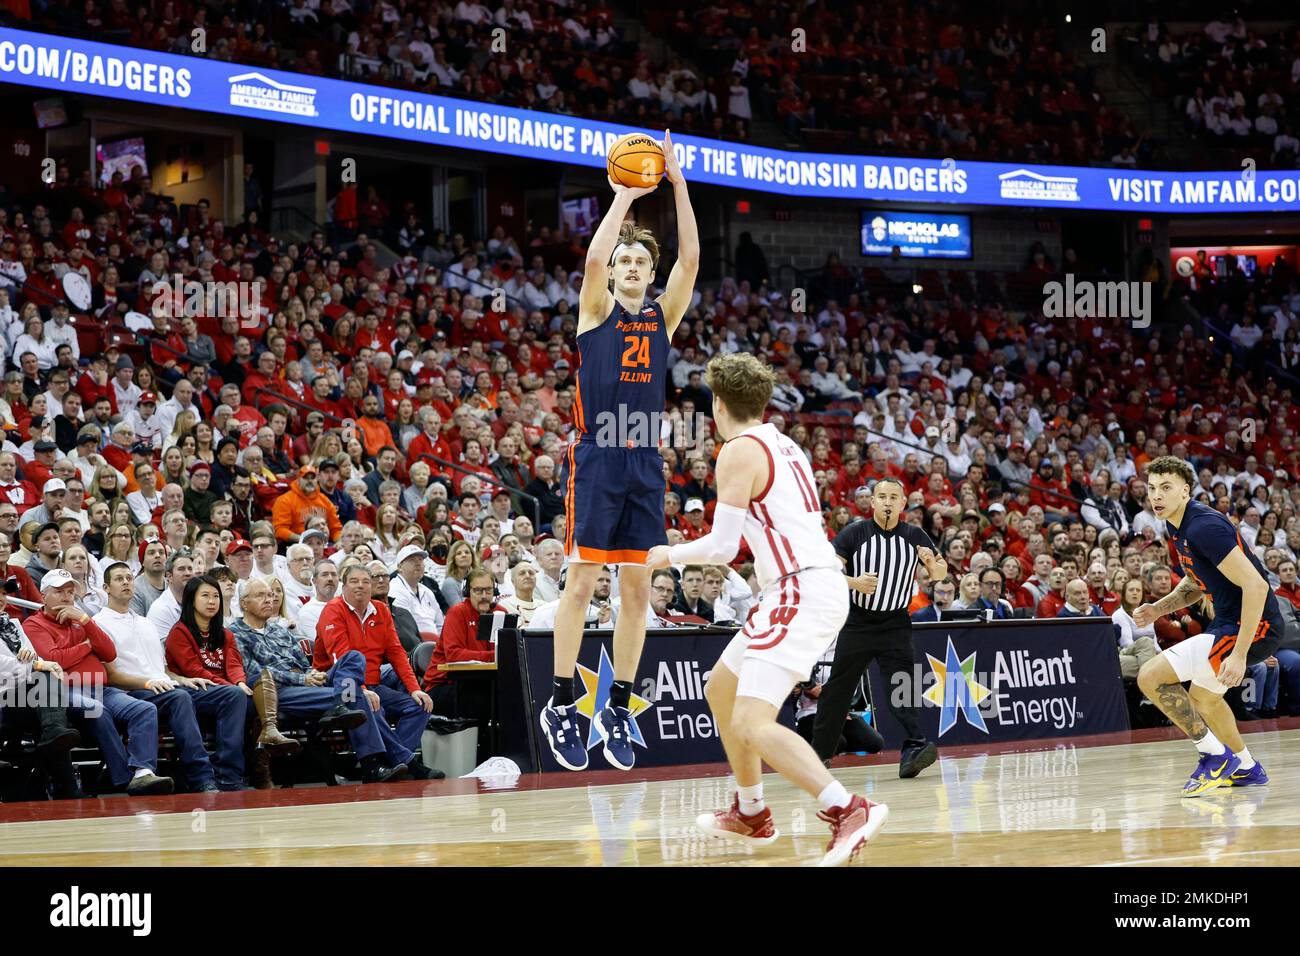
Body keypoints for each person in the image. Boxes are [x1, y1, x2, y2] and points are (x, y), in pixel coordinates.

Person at [647, 352, 885, 866]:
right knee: (721, 689)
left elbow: (723, 546)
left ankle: (848, 808)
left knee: (753, 722)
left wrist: (666, 555)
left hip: (800, 588)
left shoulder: (737, 449)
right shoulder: (784, 442)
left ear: (717, 403)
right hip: (794, 587)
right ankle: (752, 812)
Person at [541, 132, 698, 774]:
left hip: (644, 461)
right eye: (623, 260)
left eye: (639, 261)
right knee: (583, 582)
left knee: (637, 591)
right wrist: (625, 197)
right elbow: (593, 258)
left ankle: (619, 706)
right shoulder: (595, 308)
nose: (630, 266)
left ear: (650, 272)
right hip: (598, 457)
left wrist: (679, 187)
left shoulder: (664, 314)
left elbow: (689, 263)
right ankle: (560, 703)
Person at [1133, 456, 1283, 796]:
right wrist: (1158, 608)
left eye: (1166, 488)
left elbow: (1257, 587)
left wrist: (1240, 654)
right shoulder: (1176, 523)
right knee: (1204, 698)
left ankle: (1214, 756)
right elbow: (1196, 581)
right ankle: (1246, 768)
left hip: (1256, 623)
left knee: (1150, 677)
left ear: (1185, 491)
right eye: (1152, 488)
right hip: (1231, 623)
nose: (1157, 496)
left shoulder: (1204, 527)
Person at [811, 476, 947, 779]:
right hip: (858, 620)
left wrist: (931, 562)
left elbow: (940, 572)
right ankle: (818, 758)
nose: (887, 502)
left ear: (903, 503)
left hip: (896, 622)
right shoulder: (854, 533)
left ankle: (915, 745)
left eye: (893, 497)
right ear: (872, 502)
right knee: (838, 690)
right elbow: (827, 572)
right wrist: (855, 582)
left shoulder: (915, 535)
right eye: (881, 496)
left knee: (903, 685)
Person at [232, 577, 412, 786]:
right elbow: (256, 673)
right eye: (260, 595)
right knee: (356, 696)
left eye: (271, 595)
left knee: (353, 657)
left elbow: (302, 662)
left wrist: (314, 674)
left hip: (306, 683)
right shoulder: (235, 633)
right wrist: (303, 678)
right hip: (277, 692)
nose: (268, 600)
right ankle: (373, 765)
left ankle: (341, 703)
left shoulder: (279, 630)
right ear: (244, 603)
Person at [23, 568, 175, 796]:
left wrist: (85, 620)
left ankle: (144, 772)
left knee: (145, 709)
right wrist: (86, 646)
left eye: (70, 591)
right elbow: (55, 659)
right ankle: (123, 779)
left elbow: (109, 652)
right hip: (66, 690)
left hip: (101, 688)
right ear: (43, 595)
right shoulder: (34, 625)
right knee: (97, 710)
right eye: (59, 592)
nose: (67, 597)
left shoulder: (79, 621)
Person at [94, 562, 225, 793]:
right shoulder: (99, 623)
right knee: (179, 699)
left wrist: (183, 679)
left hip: (164, 687)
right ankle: (202, 777)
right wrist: (147, 683)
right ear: (105, 587)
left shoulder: (146, 623)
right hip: (131, 692)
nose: (126, 582)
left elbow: (162, 669)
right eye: (119, 579)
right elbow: (111, 676)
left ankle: (230, 773)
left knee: (227, 696)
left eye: (129, 578)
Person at [311, 564, 439, 779]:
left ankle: (391, 762)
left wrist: (415, 689)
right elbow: (340, 658)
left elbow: (397, 652)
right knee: (369, 706)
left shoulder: (381, 610)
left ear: (372, 586)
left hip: (372, 683)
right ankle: (405, 761)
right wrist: (362, 689)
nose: (360, 586)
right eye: (354, 581)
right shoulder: (333, 609)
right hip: (338, 685)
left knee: (420, 706)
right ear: (343, 586)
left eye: (365, 581)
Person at [163, 575, 258, 790]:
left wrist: (240, 682)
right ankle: (228, 774)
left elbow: (234, 664)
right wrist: (231, 687)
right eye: (205, 596)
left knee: (258, 686)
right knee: (235, 696)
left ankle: (258, 767)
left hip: (224, 691)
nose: (212, 601)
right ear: (191, 600)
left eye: (216, 596)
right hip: (193, 691)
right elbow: (193, 670)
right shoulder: (179, 632)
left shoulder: (225, 634)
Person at [0, 602, 83, 799]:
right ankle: (66, 788)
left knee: (51, 722)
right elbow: (4, 668)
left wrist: (33, 662)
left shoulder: (12, 624)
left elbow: (32, 658)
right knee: (47, 682)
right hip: (5, 699)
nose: (1, 599)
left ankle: (53, 733)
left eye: (2, 594)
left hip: (22, 695)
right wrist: (34, 664)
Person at [389, 543, 444, 637]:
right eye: (412, 560)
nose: (418, 563)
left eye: (420, 560)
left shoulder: (427, 591)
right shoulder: (394, 589)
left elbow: (440, 625)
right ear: (400, 567)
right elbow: (405, 630)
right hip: (413, 647)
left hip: (435, 645)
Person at [147, 548, 197, 641]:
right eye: (181, 569)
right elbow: (165, 650)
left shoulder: (197, 601)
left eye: (190, 568)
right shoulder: (160, 609)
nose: (187, 573)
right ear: (169, 576)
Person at [298, 559, 339, 642]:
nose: (330, 578)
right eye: (325, 575)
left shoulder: (347, 604)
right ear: (314, 581)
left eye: (334, 574)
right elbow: (324, 643)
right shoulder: (307, 612)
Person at [130, 539, 168, 615]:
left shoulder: (172, 585)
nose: (157, 555)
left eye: (161, 552)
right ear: (142, 561)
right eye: (151, 553)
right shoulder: (135, 589)